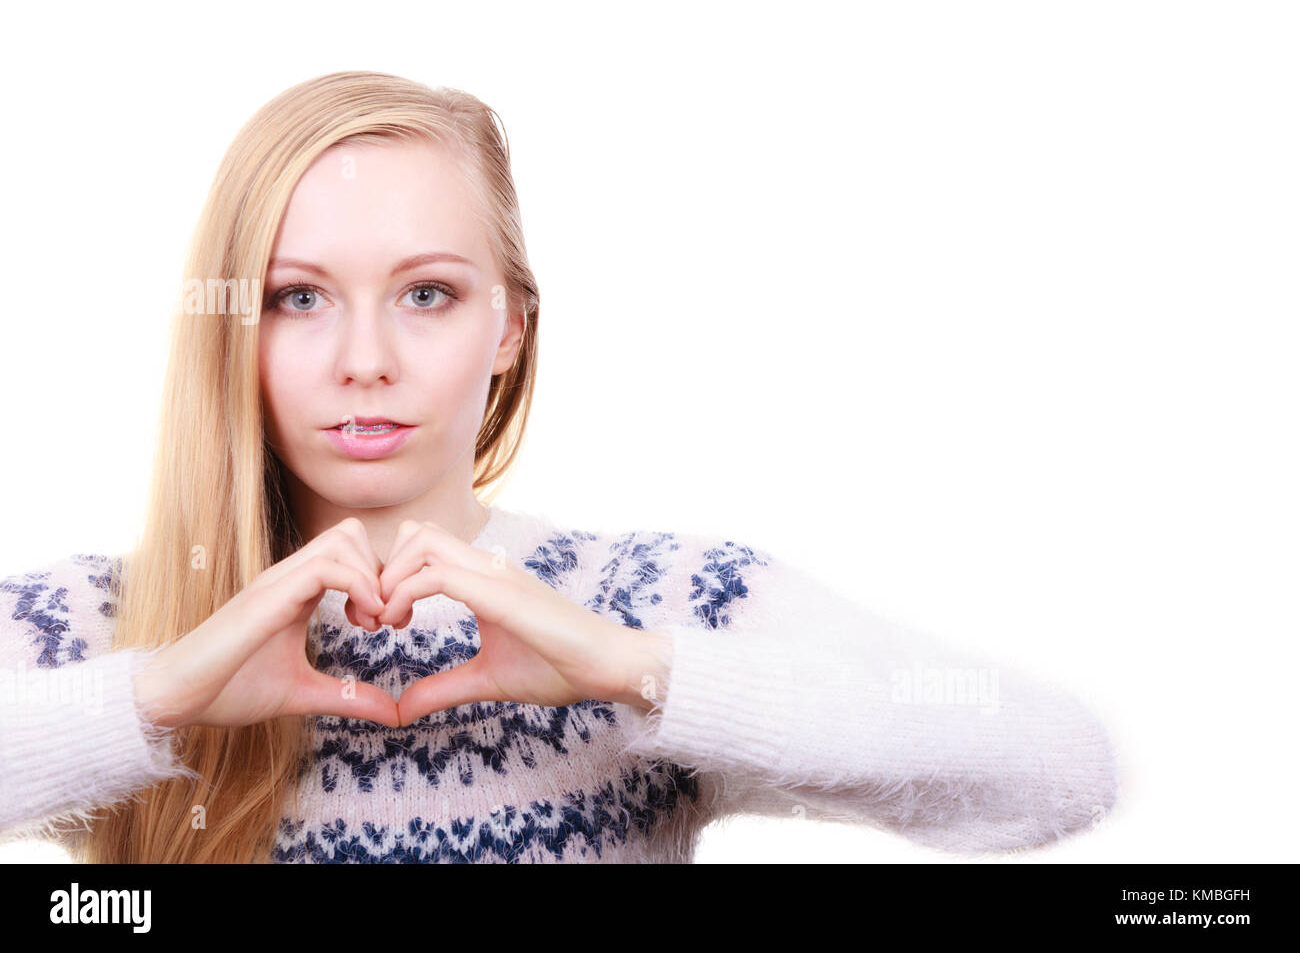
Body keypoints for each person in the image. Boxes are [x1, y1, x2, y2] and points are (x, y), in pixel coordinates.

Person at [0, 71, 1120, 863]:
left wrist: (639, 671)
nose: (365, 361)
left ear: (509, 329)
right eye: (301, 297)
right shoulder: (103, 627)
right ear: (229, 325)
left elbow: (1059, 770)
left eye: (426, 293)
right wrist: (150, 700)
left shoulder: (651, 604)